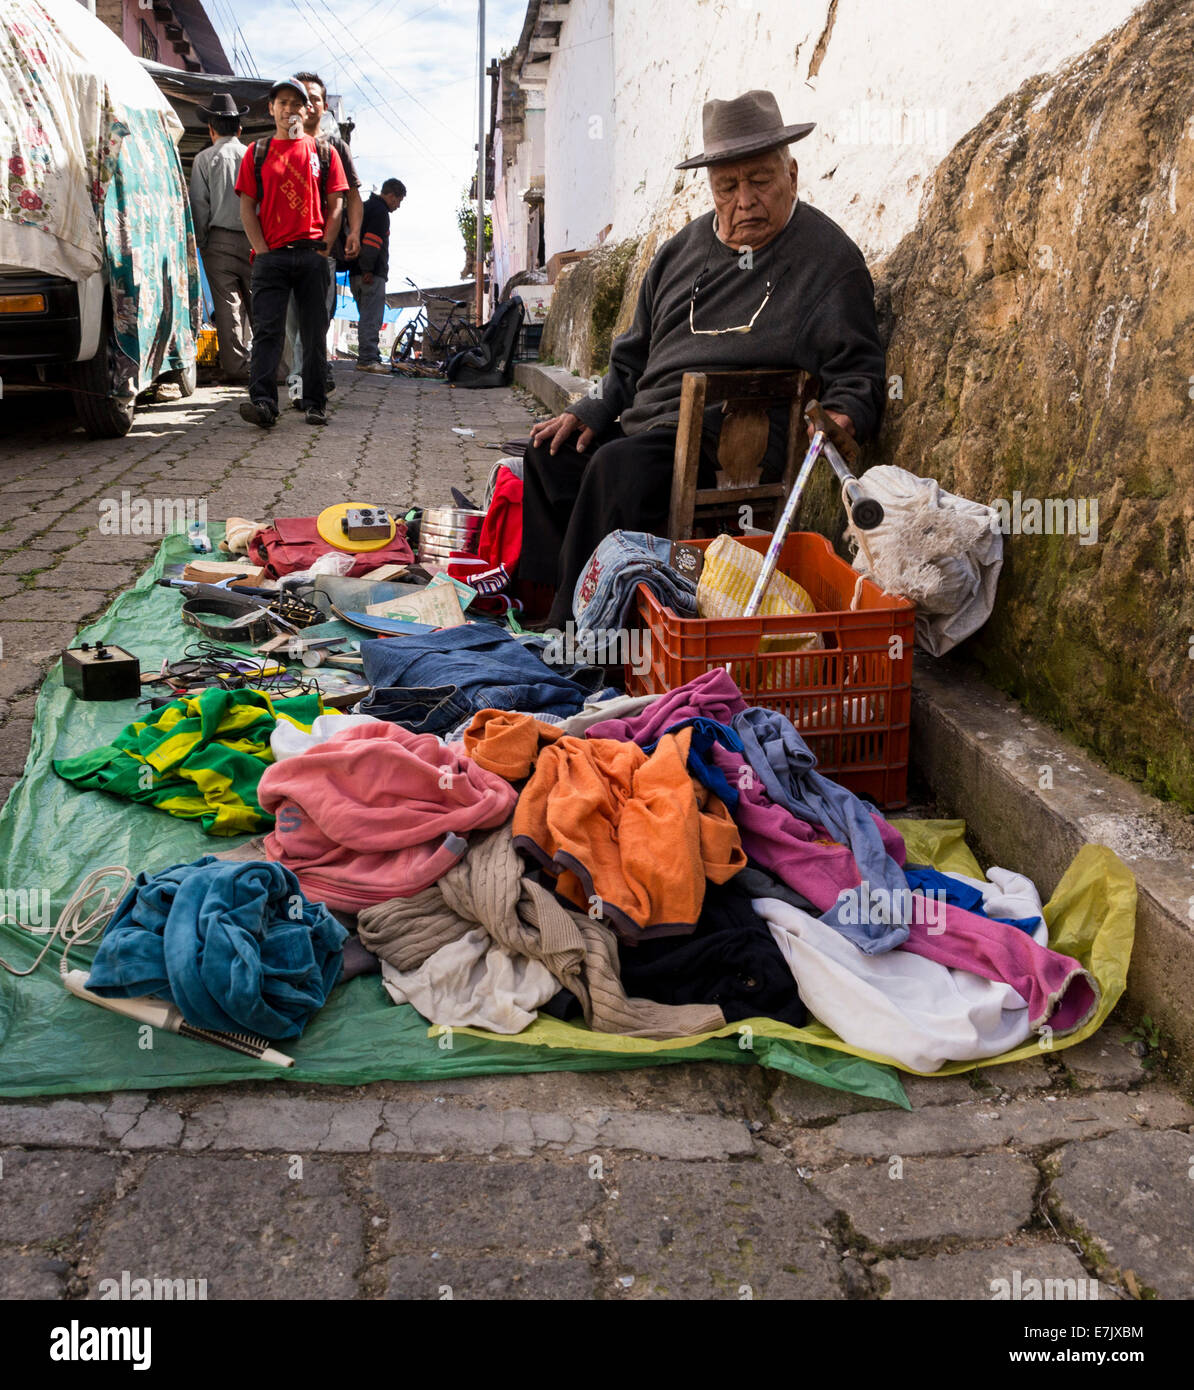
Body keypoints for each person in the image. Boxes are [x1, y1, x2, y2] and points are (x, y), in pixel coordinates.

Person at [521, 89, 887, 627]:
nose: (744, 201)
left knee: (615, 469)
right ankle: (542, 609)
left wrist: (845, 410)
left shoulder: (828, 261)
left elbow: (858, 368)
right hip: (650, 429)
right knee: (549, 457)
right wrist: (591, 410)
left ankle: (577, 640)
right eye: (727, 186)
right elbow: (629, 359)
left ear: (792, 172)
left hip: (733, 440)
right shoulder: (680, 251)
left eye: (760, 181)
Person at [235, 75, 349, 429]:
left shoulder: (324, 152)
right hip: (271, 257)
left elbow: (337, 203)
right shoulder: (257, 152)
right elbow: (247, 207)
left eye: (295, 103)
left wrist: (324, 248)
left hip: (312, 255)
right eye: (282, 103)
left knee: (314, 333)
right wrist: (262, 251)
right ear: (271, 109)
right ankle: (264, 404)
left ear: (307, 109)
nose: (289, 110)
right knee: (267, 332)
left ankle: (316, 404)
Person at [282, 71, 362, 404]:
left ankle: (302, 390)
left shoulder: (335, 148)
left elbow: (353, 197)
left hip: (321, 250)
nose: (309, 104)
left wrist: (354, 231)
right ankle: (301, 385)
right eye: (303, 98)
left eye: (315, 98)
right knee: (291, 330)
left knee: (312, 325)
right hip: (282, 249)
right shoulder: (279, 145)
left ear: (323, 104)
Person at [189, 93, 252, 383]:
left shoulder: (203, 159)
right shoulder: (253, 156)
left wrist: (202, 243)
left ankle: (236, 368)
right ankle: (270, 367)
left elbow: (200, 205)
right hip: (256, 241)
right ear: (239, 129)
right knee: (260, 304)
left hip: (218, 241)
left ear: (210, 130)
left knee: (228, 307)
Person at [347, 177, 405, 374]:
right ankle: (368, 359)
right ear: (390, 195)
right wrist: (368, 270)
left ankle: (368, 357)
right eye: (398, 201)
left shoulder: (364, 207)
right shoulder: (380, 212)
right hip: (369, 274)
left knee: (365, 317)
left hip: (354, 272)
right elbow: (372, 242)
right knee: (372, 318)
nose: (398, 206)